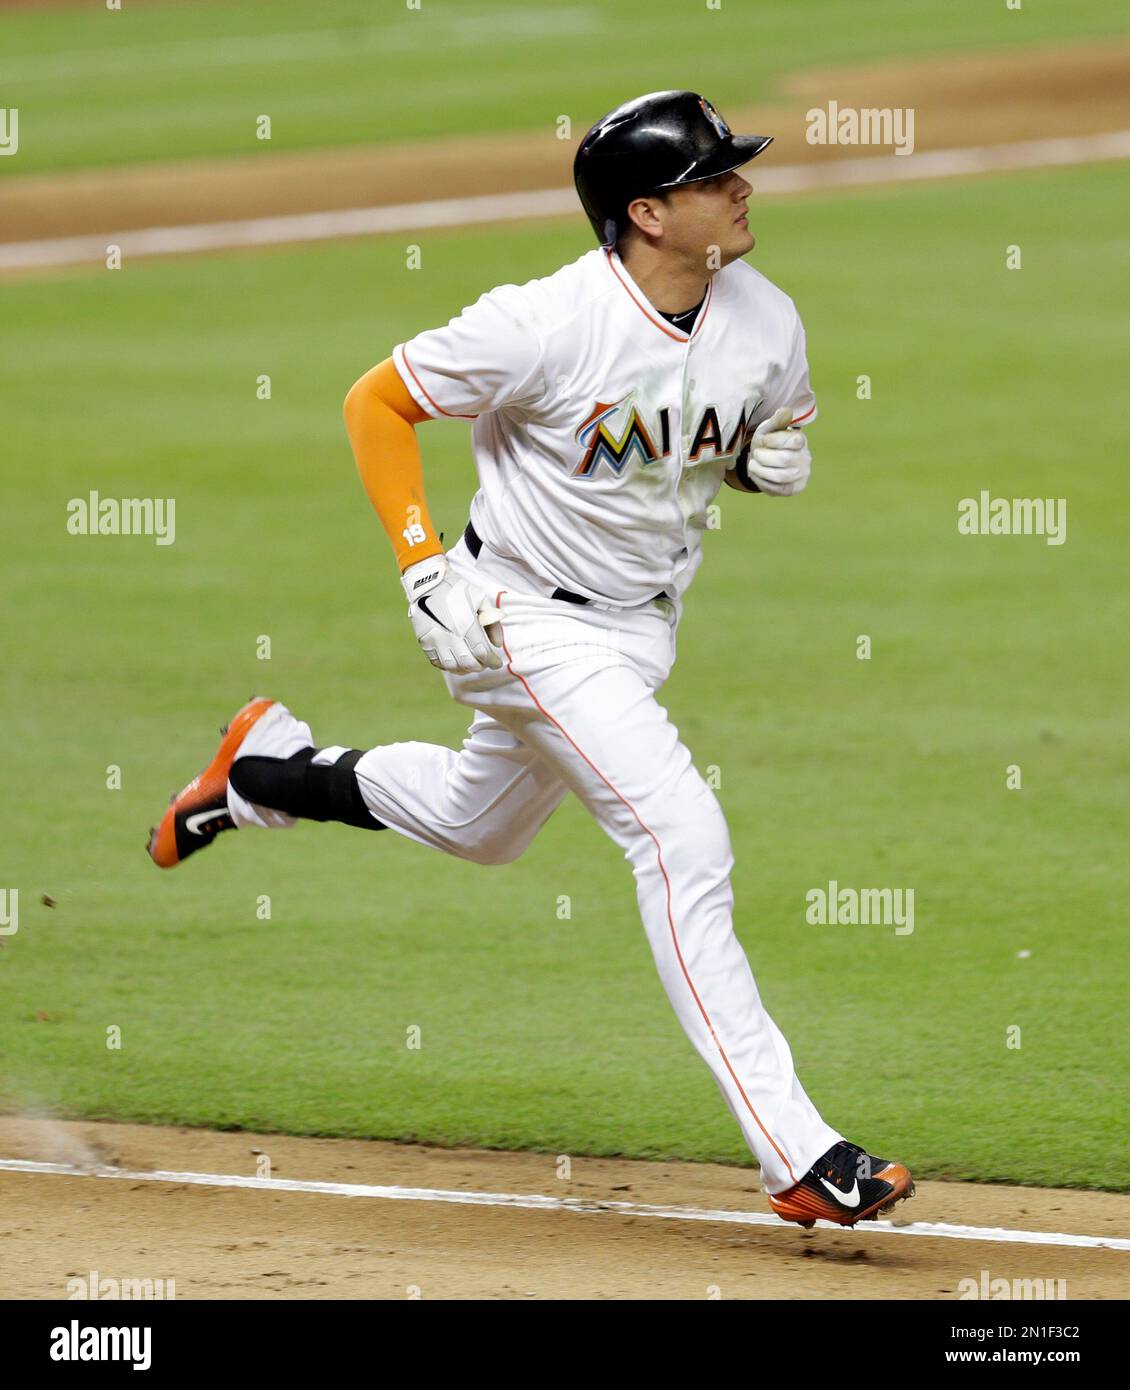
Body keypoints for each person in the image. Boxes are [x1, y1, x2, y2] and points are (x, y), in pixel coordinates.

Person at [147, 91, 914, 1229]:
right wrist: (421, 567)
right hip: (510, 614)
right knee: (681, 838)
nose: (741, 188)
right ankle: (799, 1152)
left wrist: (756, 468)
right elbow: (376, 403)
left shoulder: (766, 321)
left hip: (637, 628)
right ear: (647, 213)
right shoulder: (546, 322)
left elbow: (714, 443)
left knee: (481, 824)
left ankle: (263, 770)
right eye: (714, 178)